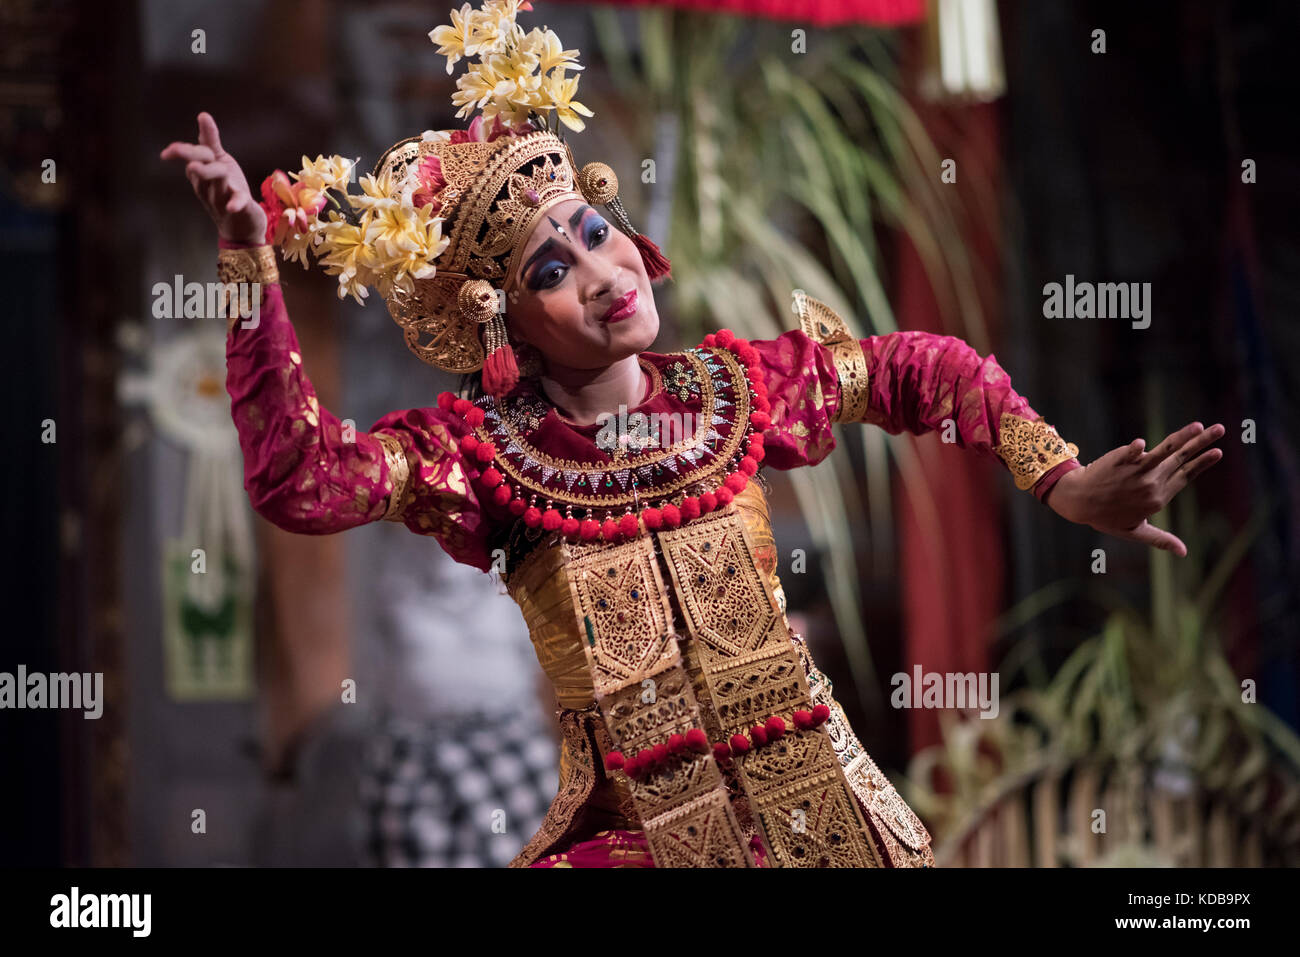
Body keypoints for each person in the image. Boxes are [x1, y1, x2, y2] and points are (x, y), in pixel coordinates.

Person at [161, 1, 1224, 867]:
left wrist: (1058, 477)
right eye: (550, 273)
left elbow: (921, 369)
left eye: (591, 233)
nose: (601, 275)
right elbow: (300, 478)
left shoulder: (740, 391)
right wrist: (251, 266)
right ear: (504, 322)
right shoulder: (481, 457)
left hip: (831, 832)